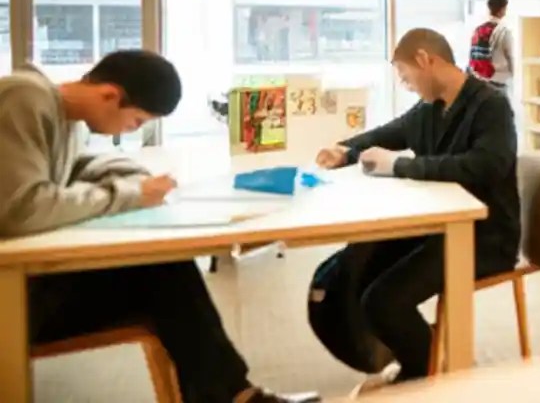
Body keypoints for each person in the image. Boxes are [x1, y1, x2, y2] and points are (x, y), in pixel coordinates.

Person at [0, 50, 313, 403]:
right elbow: (21, 209)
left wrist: (136, 179)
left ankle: (231, 395)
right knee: (164, 273)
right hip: (13, 299)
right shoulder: (25, 98)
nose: (129, 131)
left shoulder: (62, 117)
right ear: (110, 96)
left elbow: (78, 168)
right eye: (134, 122)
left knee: (165, 268)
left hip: (24, 281)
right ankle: (231, 396)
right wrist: (131, 193)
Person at [315, 28, 519, 387]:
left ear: (426, 60)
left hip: (485, 238)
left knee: (382, 301)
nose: (405, 84)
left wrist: (400, 165)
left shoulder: (491, 105)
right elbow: (390, 132)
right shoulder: (429, 108)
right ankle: (422, 352)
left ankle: (424, 375)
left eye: (405, 75)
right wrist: (346, 149)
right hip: (438, 227)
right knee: (359, 270)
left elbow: (486, 165)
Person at [467, 0, 514, 95]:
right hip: (498, 81)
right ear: (502, 10)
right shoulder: (503, 31)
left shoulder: (478, 30)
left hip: (479, 81)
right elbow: (511, 56)